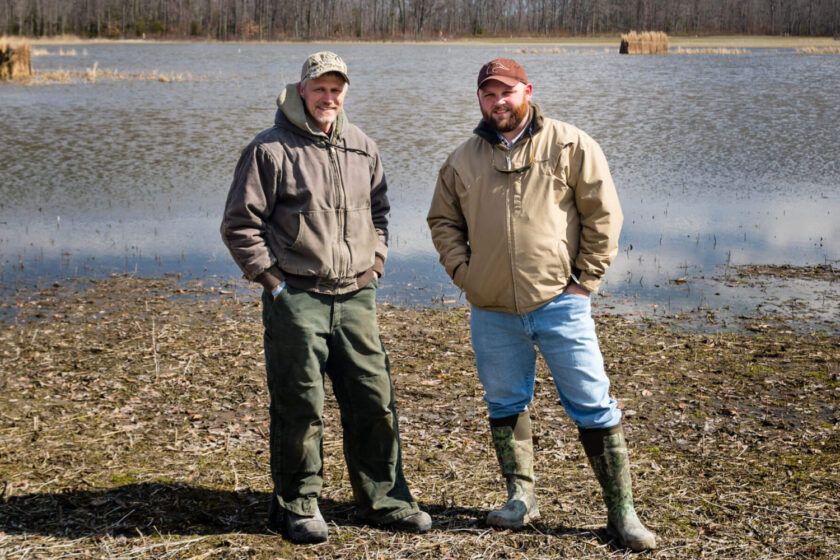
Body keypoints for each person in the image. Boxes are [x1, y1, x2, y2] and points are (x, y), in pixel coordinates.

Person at [427, 58, 656, 551]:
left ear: (527, 90)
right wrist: (466, 275)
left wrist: (584, 282)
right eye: (489, 94)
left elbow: (603, 216)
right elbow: (443, 222)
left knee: (594, 405)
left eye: (507, 92)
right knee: (505, 402)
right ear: (480, 100)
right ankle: (520, 499)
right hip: (492, 311)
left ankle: (623, 514)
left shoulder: (571, 144)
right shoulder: (461, 160)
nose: (499, 102)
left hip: (560, 303)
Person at [221, 51, 431, 544]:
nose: (328, 97)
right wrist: (273, 283)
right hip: (297, 296)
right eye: (319, 88)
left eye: (336, 89)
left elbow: (380, 215)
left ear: (345, 93)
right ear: (301, 90)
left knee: (375, 400)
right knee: (300, 403)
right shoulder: (268, 150)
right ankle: (297, 504)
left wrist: (374, 266)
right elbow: (239, 225)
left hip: (356, 295)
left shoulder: (362, 147)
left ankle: (385, 500)